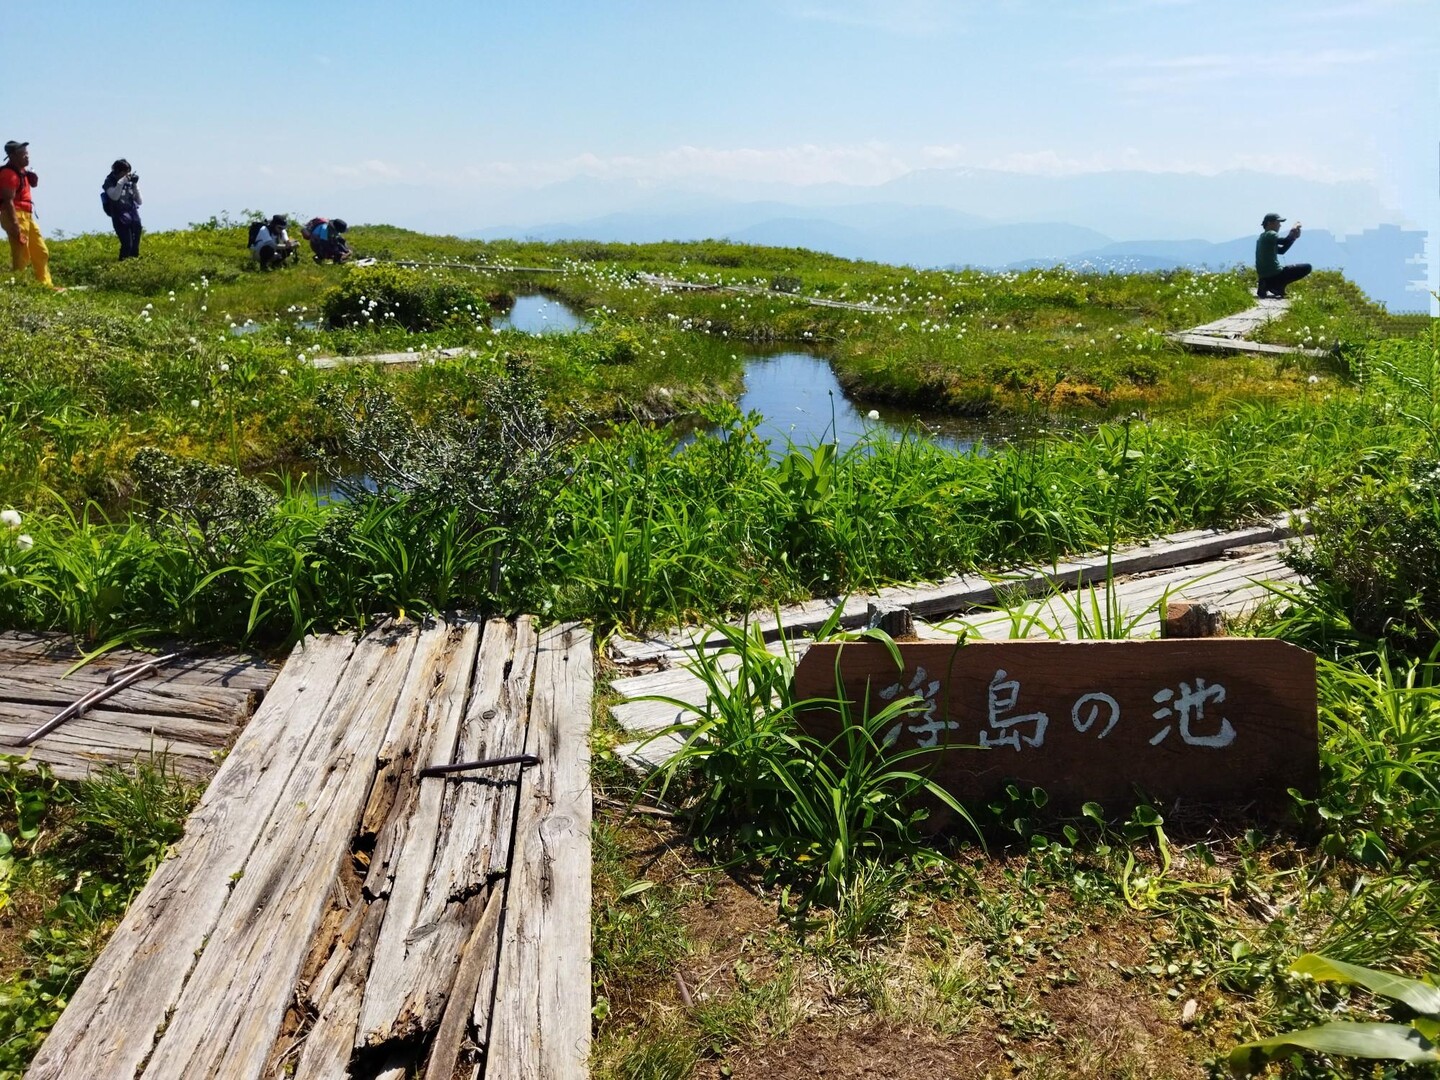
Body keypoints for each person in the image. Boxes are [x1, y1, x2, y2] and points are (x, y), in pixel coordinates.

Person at [0, 140, 54, 287]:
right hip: (15, 215)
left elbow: (32, 186)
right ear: (12, 156)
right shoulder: (8, 174)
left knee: (41, 251)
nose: (27, 157)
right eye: (23, 154)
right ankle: (19, 287)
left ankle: (45, 285)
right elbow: (7, 200)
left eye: (27, 154)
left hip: (26, 216)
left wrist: (33, 179)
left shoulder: (22, 172)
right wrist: (15, 225)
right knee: (22, 253)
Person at [1255, 212, 1311, 299]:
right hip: (1275, 273)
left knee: (1283, 273)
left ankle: (1269, 284)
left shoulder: (1263, 237)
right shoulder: (1271, 233)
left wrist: (1294, 237)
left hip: (1264, 275)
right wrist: (1294, 229)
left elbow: (1281, 250)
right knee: (1307, 267)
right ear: (1270, 223)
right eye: (1278, 223)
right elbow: (1285, 241)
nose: (1280, 226)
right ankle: (1274, 285)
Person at [102, 159, 143, 260]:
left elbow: (139, 201)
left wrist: (135, 185)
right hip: (118, 216)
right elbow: (114, 196)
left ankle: (134, 266)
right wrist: (121, 182)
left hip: (132, 214)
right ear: (118, 171)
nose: (127, 175)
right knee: (127, 245)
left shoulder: (129, 181)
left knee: (135, 246)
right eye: (125, 172)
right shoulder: (109, 181)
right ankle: (122, 266)